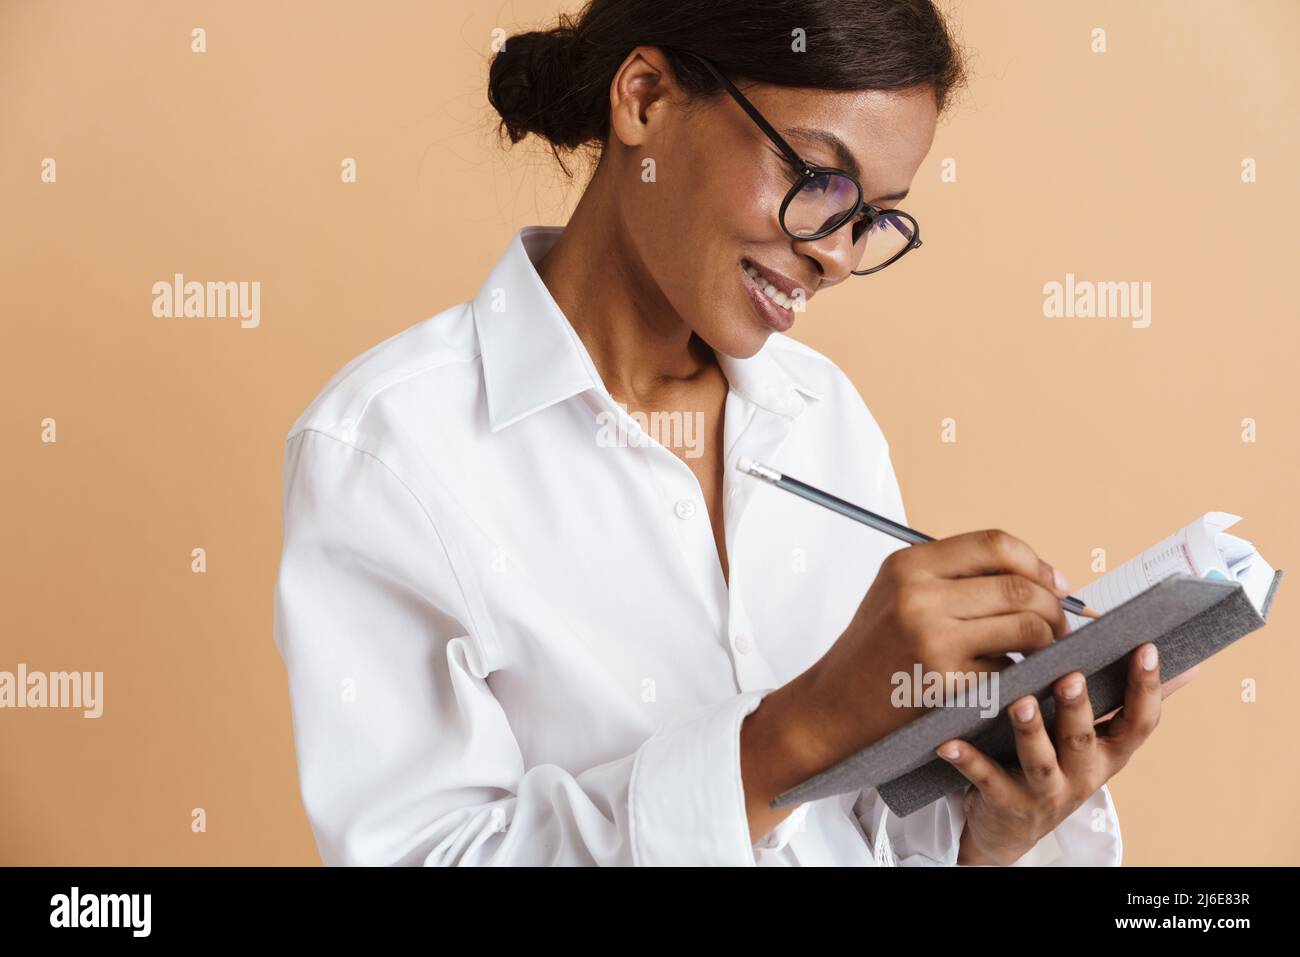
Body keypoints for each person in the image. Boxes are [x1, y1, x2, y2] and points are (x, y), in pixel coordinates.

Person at [273, 0, 1192, 866]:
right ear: (646, 99)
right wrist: (795, 733)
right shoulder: (390, 449)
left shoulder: (823, 416)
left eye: (872, 215)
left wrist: (986, 833)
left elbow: (854, 835)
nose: (834, 253)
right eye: (817, 177)